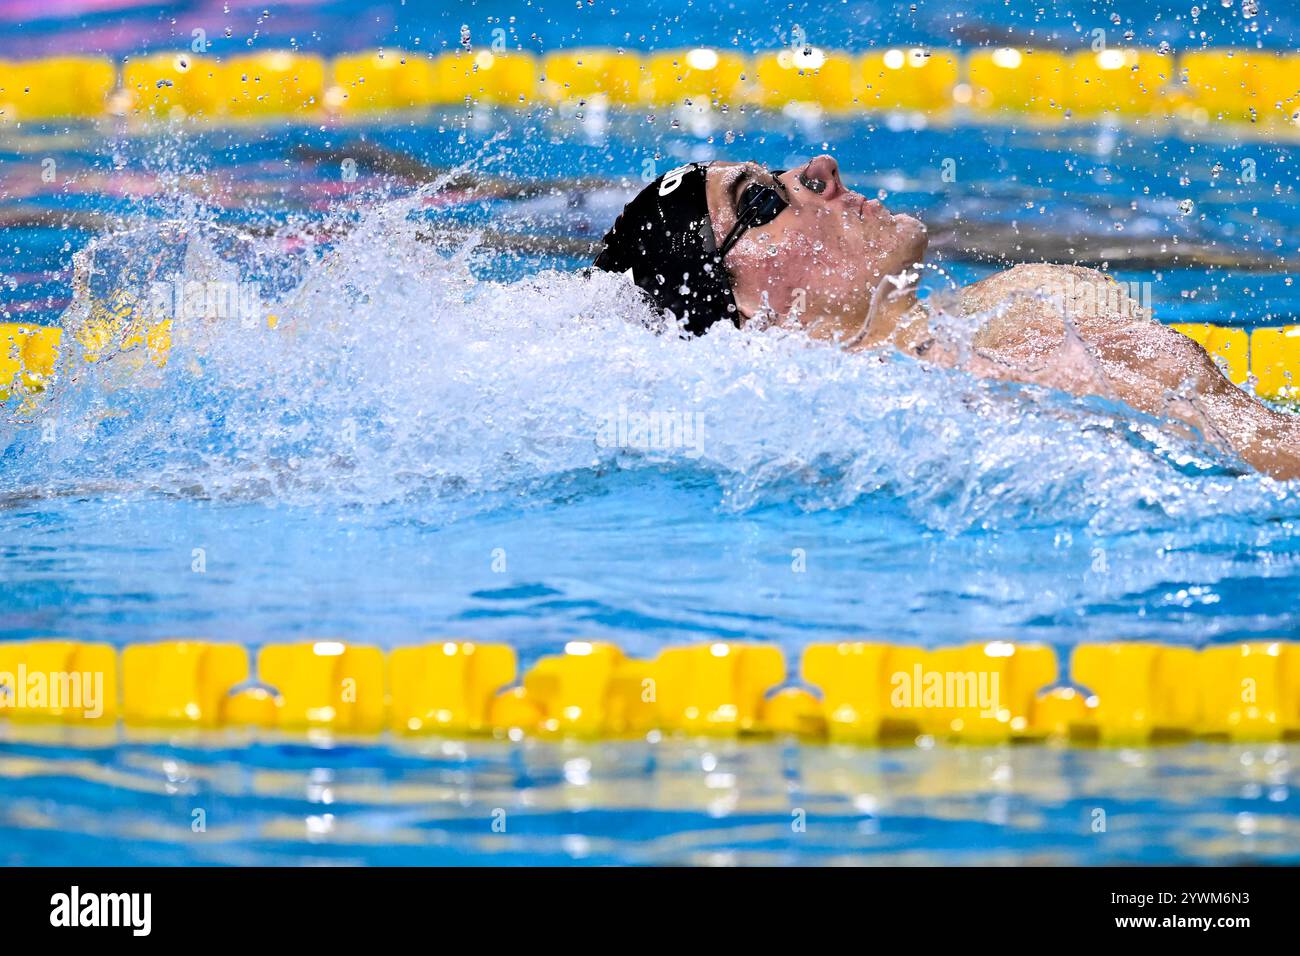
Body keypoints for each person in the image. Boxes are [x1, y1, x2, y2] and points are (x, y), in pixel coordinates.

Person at [593, 155, 1300, 480]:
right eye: (762, 204)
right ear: (744, 311)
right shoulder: (963, 395)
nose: (820, 168)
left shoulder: (1018, 296)